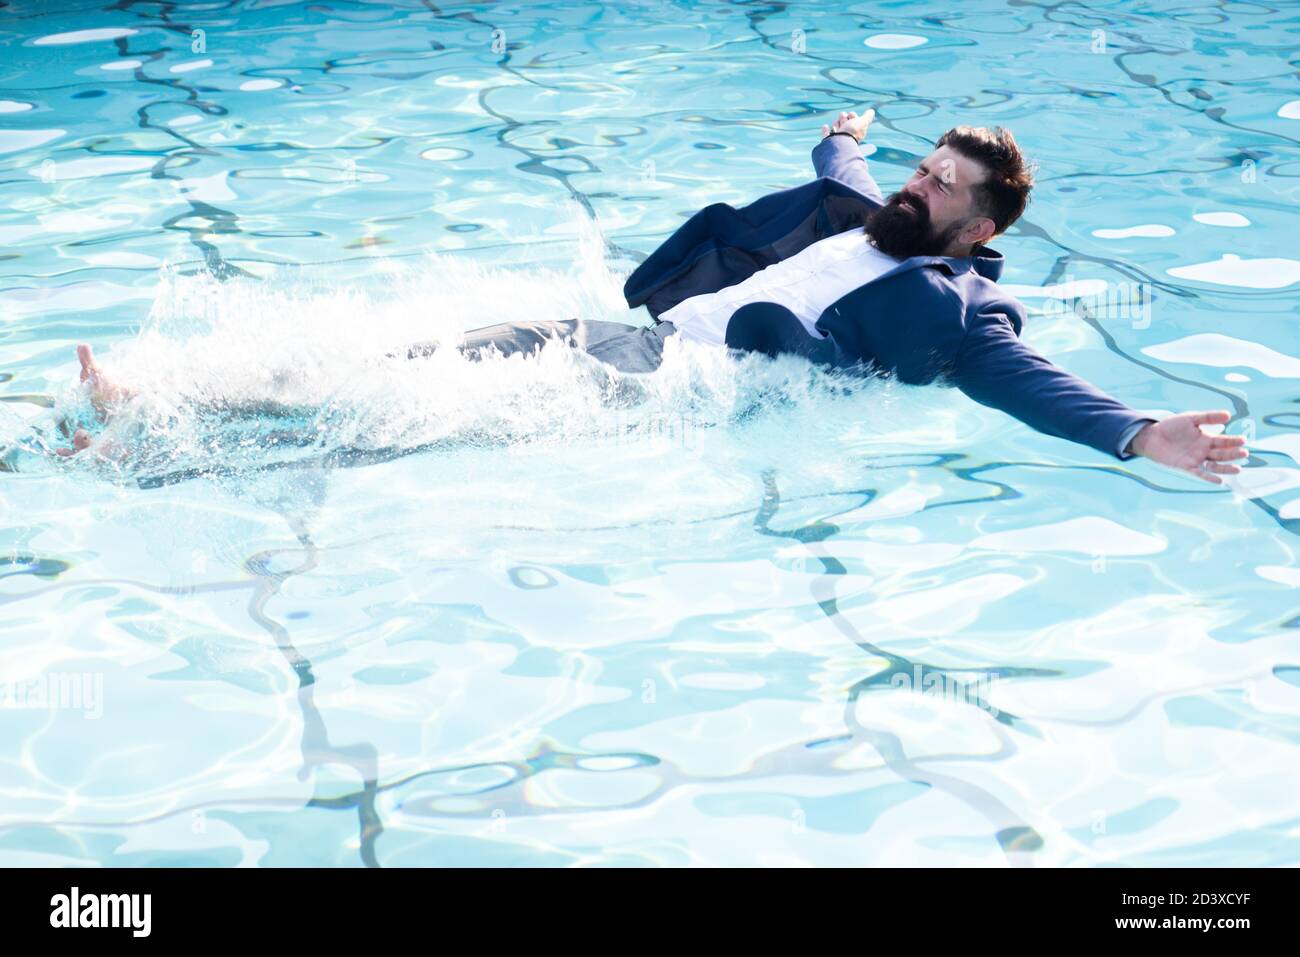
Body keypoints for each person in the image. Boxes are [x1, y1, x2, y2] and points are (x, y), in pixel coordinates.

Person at [64, 110, 1248, 484]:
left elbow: (1019, 382)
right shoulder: (870, 211)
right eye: (923, 166)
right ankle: (164, 403)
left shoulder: (951, 308)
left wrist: (1138, 431)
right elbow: (841, 171)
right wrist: (841, 134)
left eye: (945, 186)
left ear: (978, 231)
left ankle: (172, 448)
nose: (918, 184)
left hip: (670, 385)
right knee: (418, 356)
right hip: (628, 339)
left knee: (398, 422)